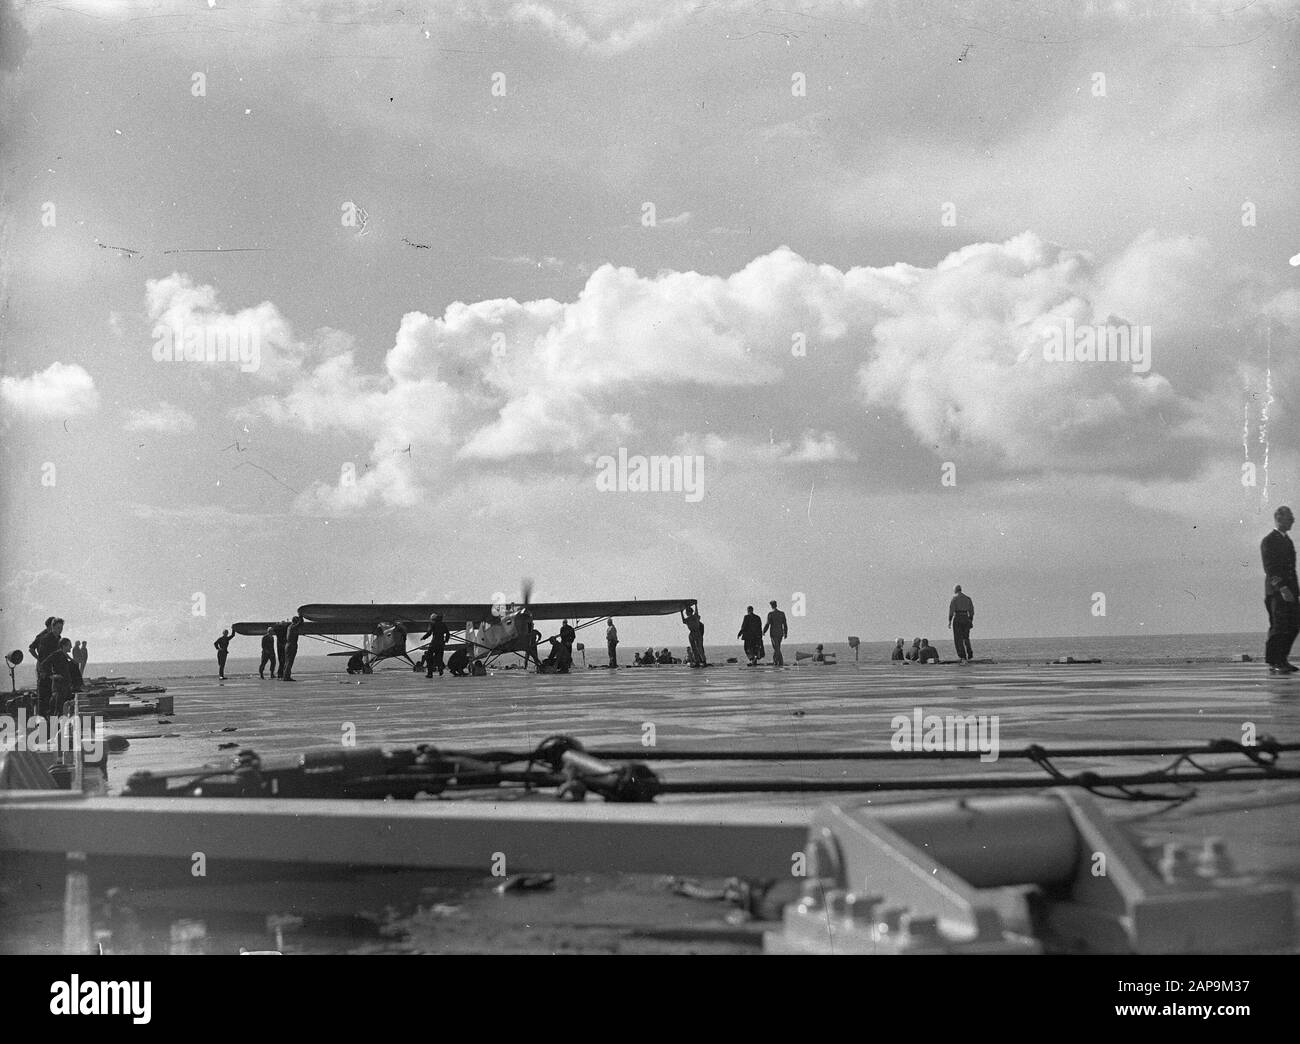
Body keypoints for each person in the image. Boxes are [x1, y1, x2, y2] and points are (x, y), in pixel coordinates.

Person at [1262, 505, 1298, 674]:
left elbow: (1291, 570)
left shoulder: (1287, 540)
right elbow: (1270, 568)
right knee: (1278, 627)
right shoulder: (1269, 540)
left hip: (1291, 592)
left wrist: (1296, 590)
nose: (1293, 520)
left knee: (1294, 626)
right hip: (1277, 593)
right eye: (1289, 517)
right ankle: (1274, 662)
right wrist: (1282, 588)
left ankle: (1282, 659)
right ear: (1279, 519)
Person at [29, 617, 62, 716]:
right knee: (43, 690)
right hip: (42, 664)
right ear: (49, 626)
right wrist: (38, 658)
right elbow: (31, 648)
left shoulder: (57, 636)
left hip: (50, 664)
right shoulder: (42, 637)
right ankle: (42, 715)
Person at [43, 637, 82, 716]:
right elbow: (44, 664)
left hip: (66, 686)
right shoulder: (56, 654)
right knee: (58, 710)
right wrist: (52, 675)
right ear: (63, 646)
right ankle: (55, 727)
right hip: (58, 687)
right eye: (69, 645)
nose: (71, 647)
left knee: (64, 709)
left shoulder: (65, 655)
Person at [948, 585, 975, 664]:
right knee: (966, 637)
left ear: (955, 590)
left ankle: (962, 656)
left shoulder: (954, 598)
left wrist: (949, 621)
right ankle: (970, 653)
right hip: (966, 617)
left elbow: (951, 610)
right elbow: (972, 611)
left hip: (958, 617)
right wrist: (970, 621)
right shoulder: (968, 598)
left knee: (958, 638)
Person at [422, 613, 451, 678]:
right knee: (439, 658)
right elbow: (448, 634)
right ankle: (440, 668)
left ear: (433, 619)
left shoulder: (432, 624)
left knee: (429, 657)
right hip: (441, 644)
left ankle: (430, 674)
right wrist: (445, 641)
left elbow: (429, 633)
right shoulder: (443, 624)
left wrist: (424, 637)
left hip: (434, 643)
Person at [763, 600, 789, 666]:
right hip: (780, 633)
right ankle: (778, 661)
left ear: (771, 606)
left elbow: (767, 624)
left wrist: (763, 631)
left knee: (776, 648)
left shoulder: (771, 614)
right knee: (777, 648)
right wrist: (785, 633)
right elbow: (785, 624)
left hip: (773, 633)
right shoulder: (782, 613)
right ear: (776, 605)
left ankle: (778, 662)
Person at [281, 616, 302, 681]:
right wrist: (301, 616)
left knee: (287, 661)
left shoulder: (289, 627)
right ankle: (287, 677)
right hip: (292, 645)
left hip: (288, 645)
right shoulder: (293, 627)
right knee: (290, 661)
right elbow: (300, 623)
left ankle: (285, 676)